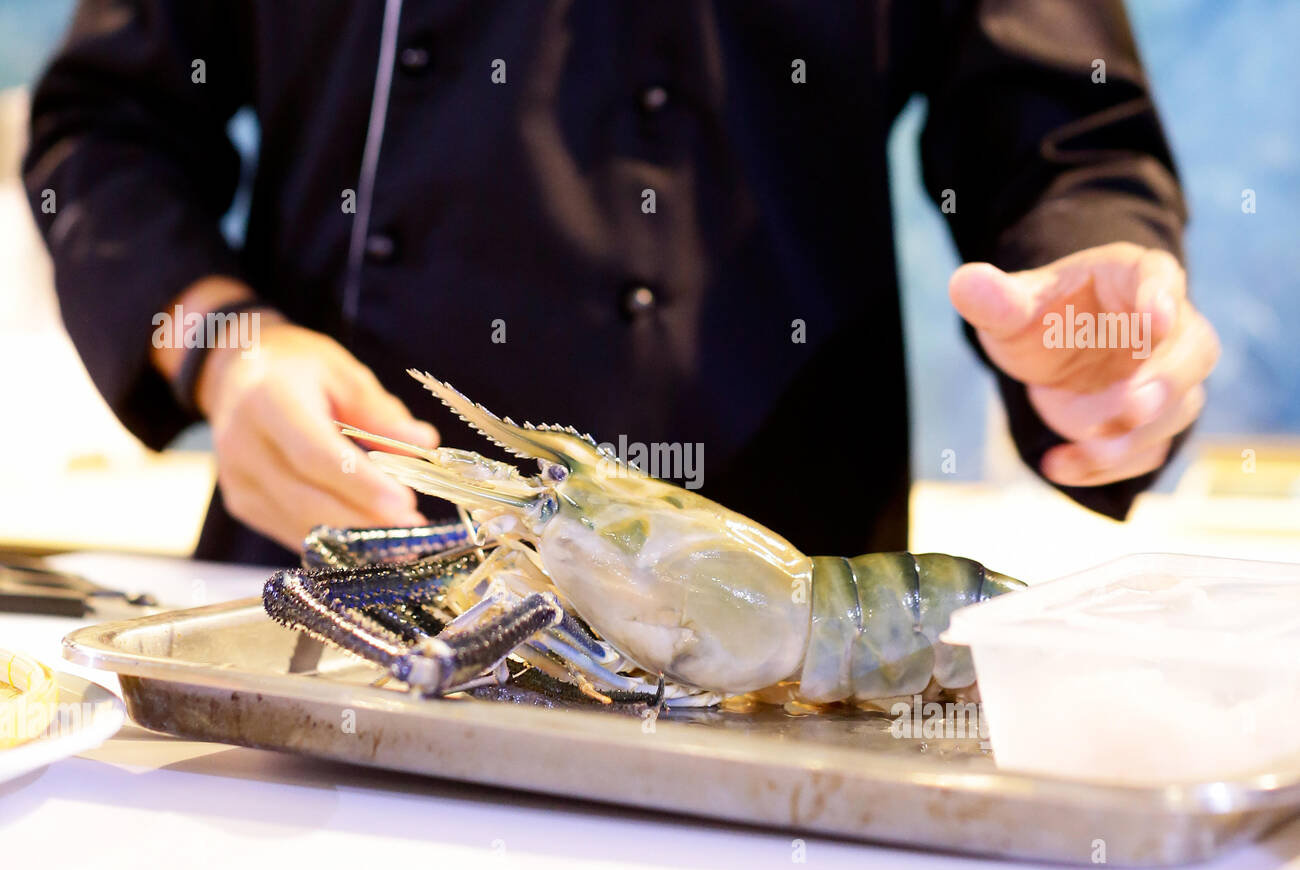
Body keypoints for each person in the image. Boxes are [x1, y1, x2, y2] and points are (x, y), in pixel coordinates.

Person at [24, 0, 1218, 565]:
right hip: (329, 591)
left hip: (771, 625)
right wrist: (226, 346)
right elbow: (105, 129)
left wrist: (1090, 317)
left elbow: (1057, 139)